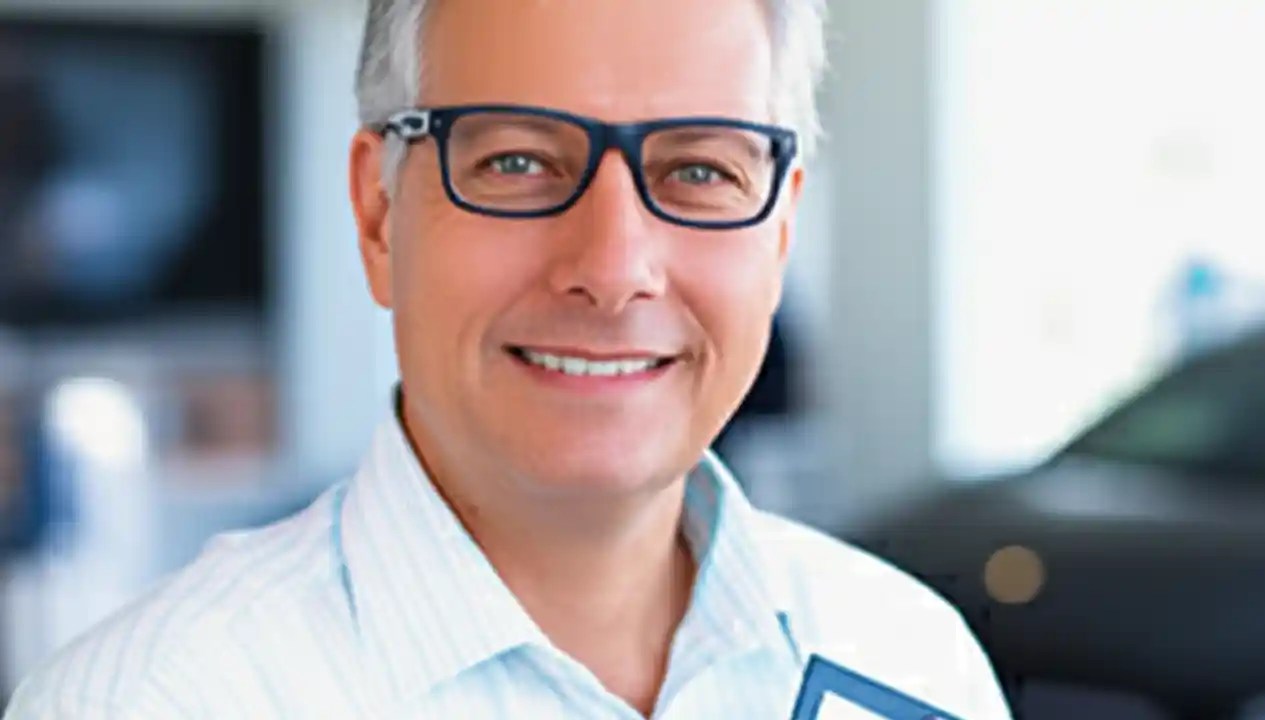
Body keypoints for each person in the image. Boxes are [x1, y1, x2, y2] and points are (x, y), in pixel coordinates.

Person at [4, 0, 1012, 717]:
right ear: (378, 214)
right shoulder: (155, 700)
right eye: (518, 162)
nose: (613, 270)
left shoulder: (914, 664)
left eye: (699, 170)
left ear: (778, 232)